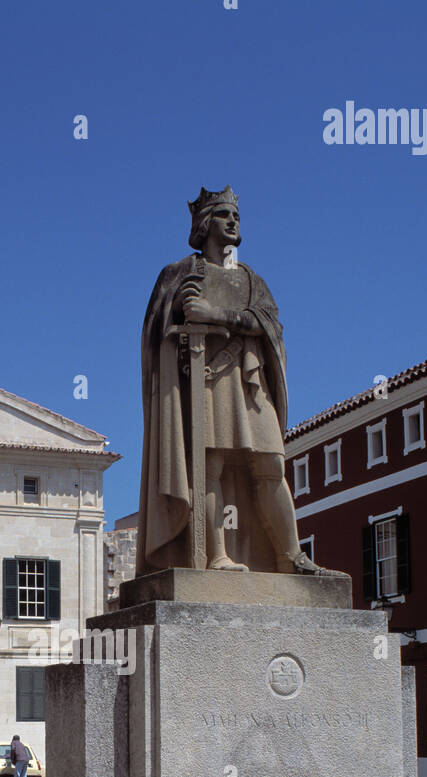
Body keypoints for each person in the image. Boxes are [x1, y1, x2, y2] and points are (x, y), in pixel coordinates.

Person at [136, 186, 332, 576]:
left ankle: (289, 557)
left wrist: (214, 314)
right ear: (205, 224)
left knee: (271, 463)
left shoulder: (252, 280)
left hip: (249, 377)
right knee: (209, 468)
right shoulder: (178, 274)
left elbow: (270, 325)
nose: (233, 221)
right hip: (205, 379)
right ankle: (217, 556)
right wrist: (177, 314)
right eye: (224, 215)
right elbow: (153, 334)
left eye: (236, 216)